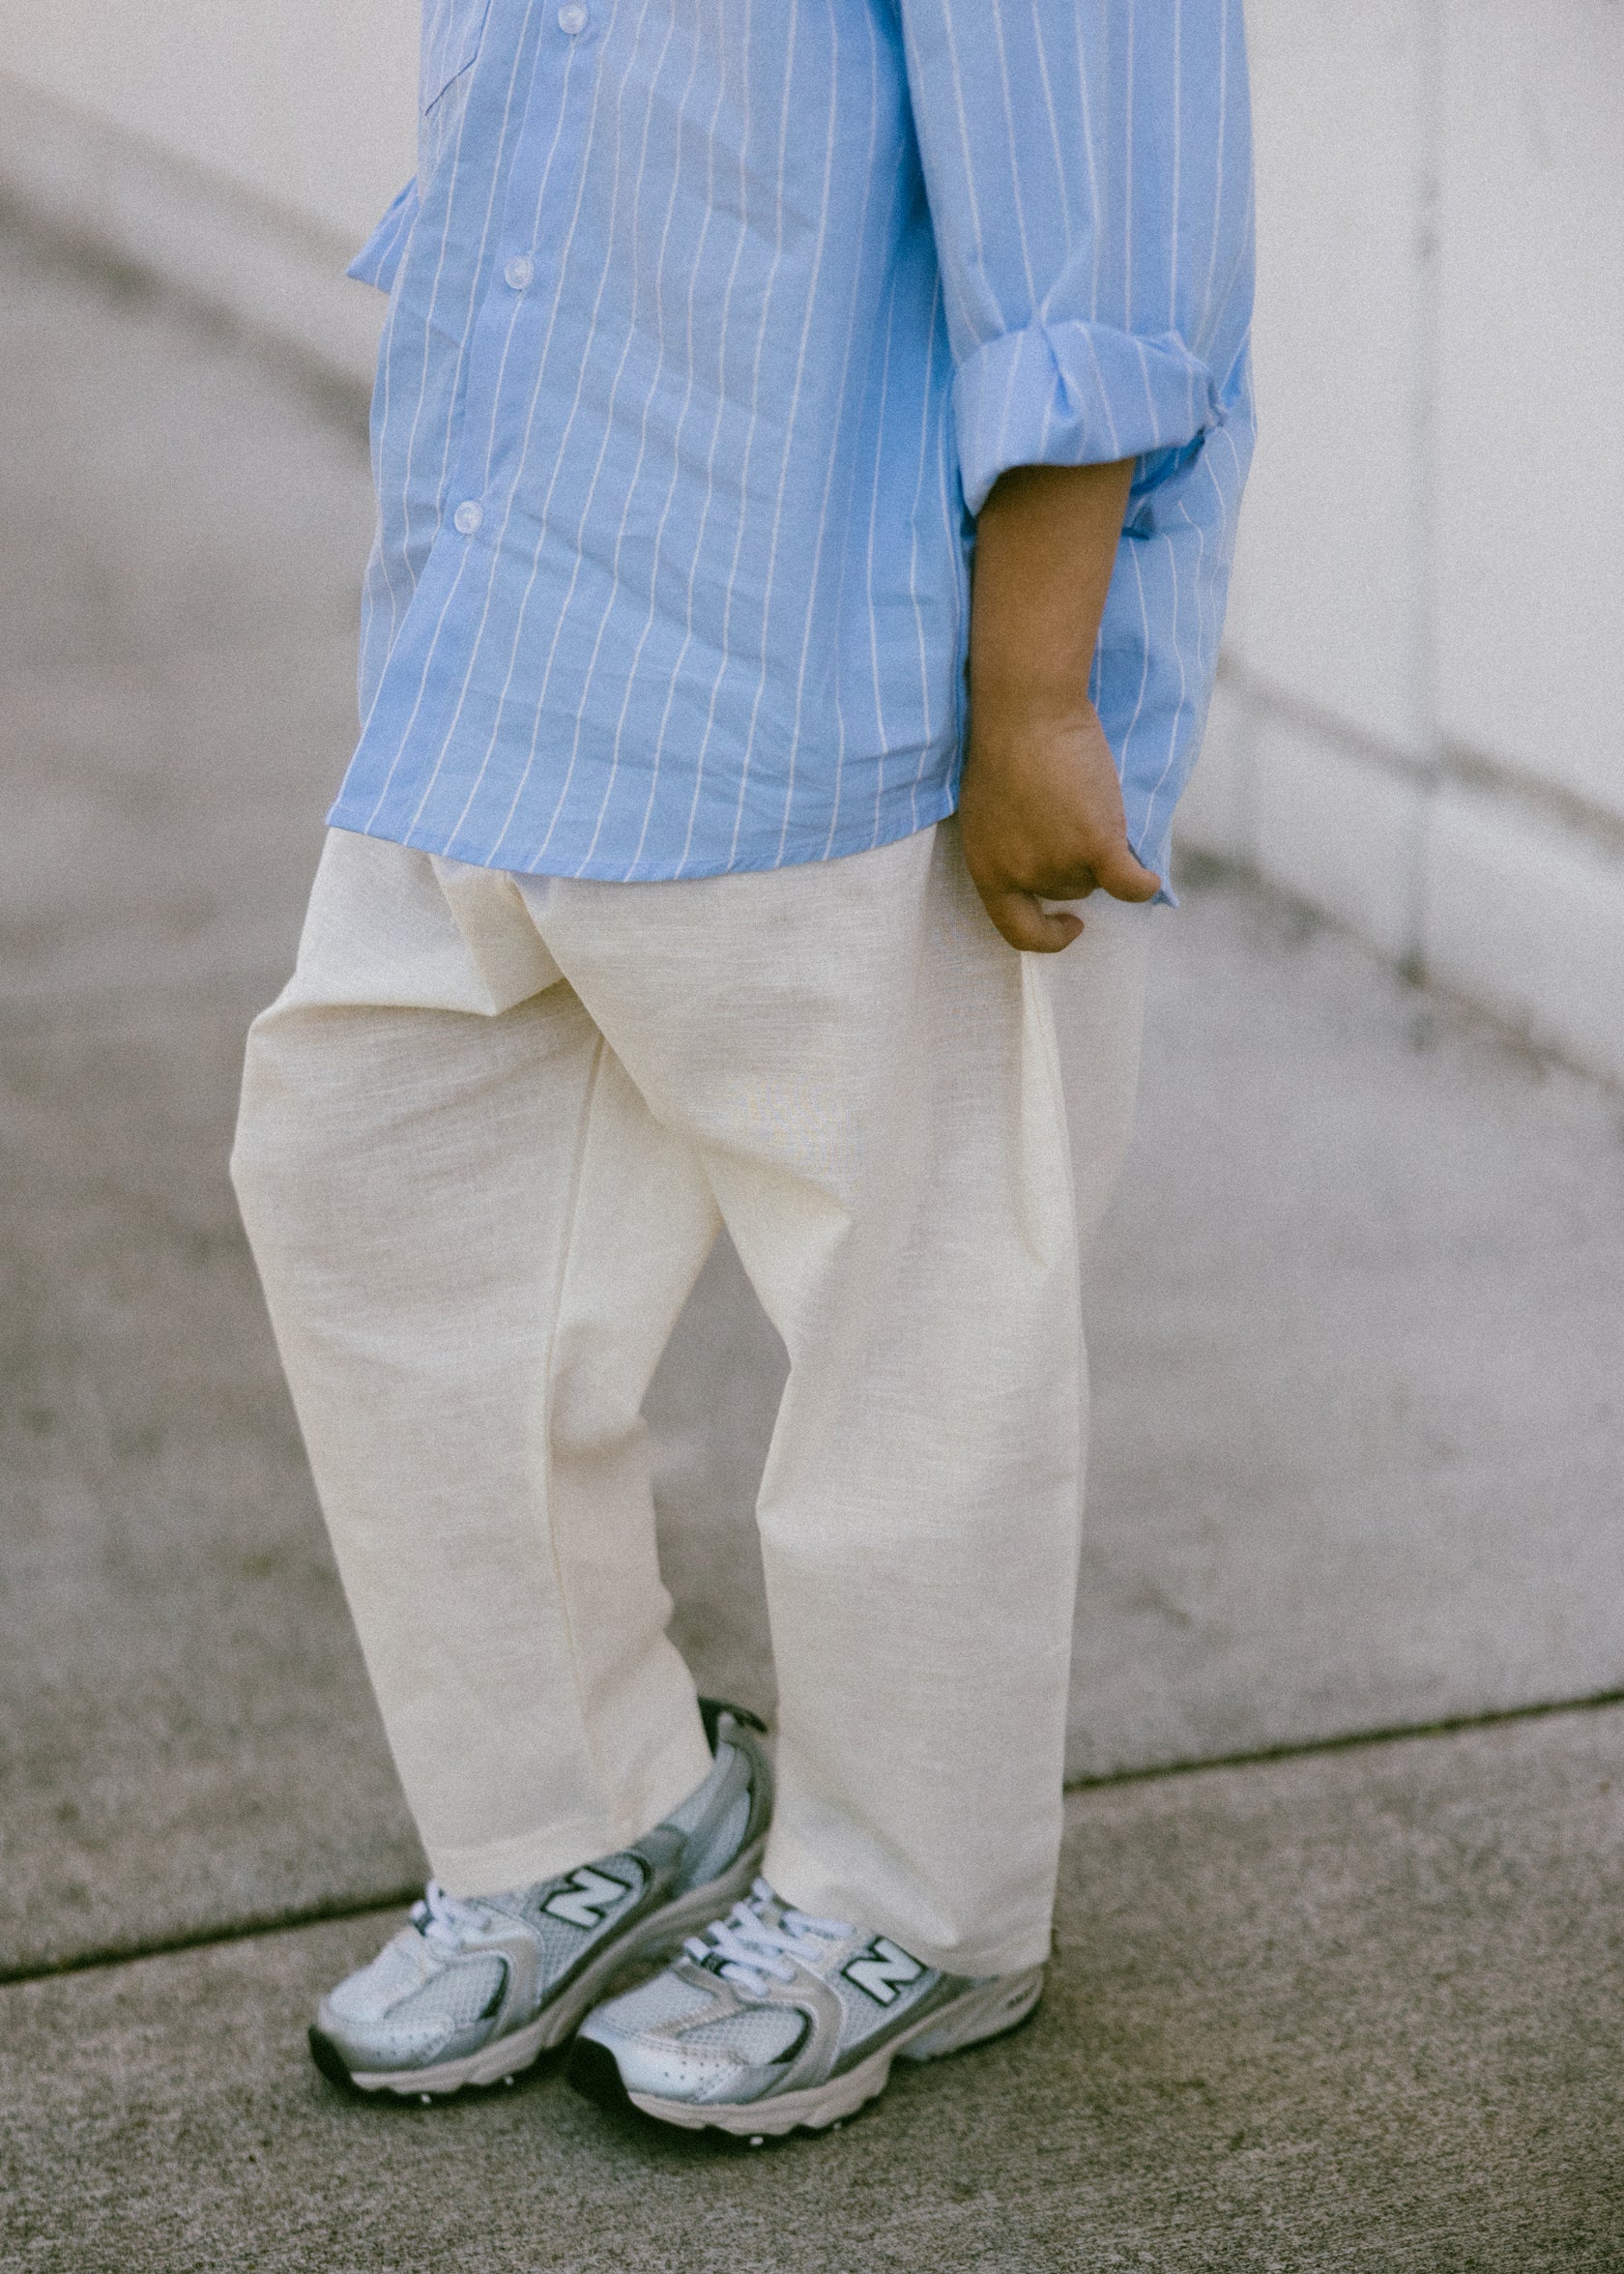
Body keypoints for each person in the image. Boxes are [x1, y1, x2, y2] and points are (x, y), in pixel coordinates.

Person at [231, 0, 1253, 2138]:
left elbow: (1106, 229)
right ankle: (582, 1814)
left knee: (917, 1314)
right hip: (507, 639)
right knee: (369, 1179)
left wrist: (1043, 689)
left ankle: (919, 1897)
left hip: (830, 664)